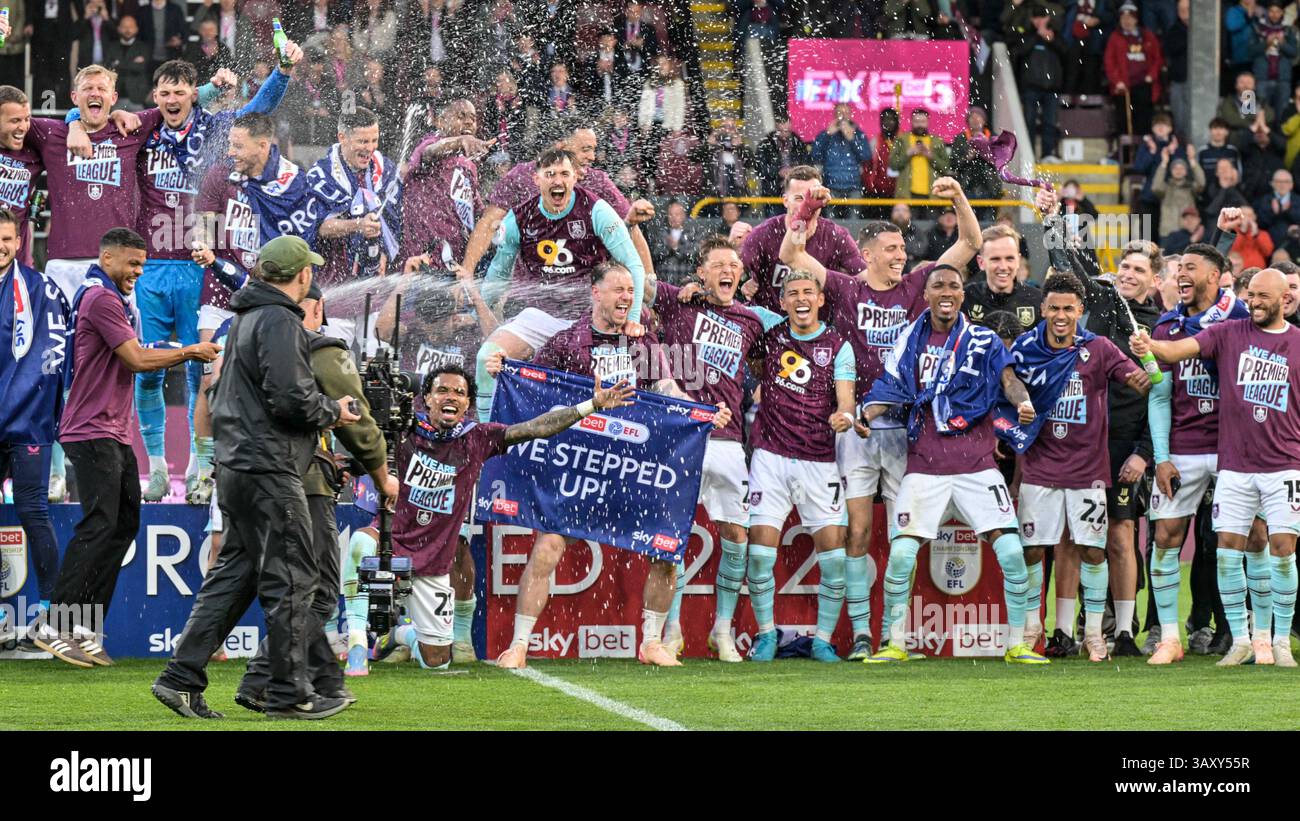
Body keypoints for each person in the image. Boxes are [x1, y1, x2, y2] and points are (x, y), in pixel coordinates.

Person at [152, 236, 364, 720]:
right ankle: (289, 693)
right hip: (271, 467)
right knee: (293, 581)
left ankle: (180, 677)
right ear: (302, 276)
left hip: (236, 467)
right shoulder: (280, 319)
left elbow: (227, 397)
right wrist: (335, 410)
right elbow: (289, 399)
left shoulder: (243, 319)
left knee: (233, 578)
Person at [487, 262, 732, 668]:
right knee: (547, 548)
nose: (626, 298)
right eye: (618, 289)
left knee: (666, 550)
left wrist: (704, 413)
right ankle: (519, 645)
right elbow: (535, 387)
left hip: (635, 466)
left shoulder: (644, 343)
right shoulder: (567, 341)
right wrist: (502, 368)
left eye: (630, 291)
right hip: (578, 468)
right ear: (595, 293)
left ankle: (652, 642)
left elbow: (667, 388)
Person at [778, 176, 984, 658]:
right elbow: (792, 254)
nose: (900, 254)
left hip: (905, 430)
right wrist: (808, 206)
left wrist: (958, 197)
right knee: (857, 532)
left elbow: (971, 243)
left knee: (902, 533)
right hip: (855, 429)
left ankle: (895, 632)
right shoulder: (848, 289)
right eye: (891, 247)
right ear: (868, 253)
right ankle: (863, 632)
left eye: (902, 247)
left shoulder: (917, 285)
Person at [30, 229, 220, 668]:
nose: (138, 271)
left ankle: (82, 627)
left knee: (122, 524)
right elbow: (134, 359)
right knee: (100, 524)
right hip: (90, 428)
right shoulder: (101, 298)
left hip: (111, 430)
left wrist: (169, 349)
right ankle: (54, 623)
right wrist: (189, 350)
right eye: (132, 263)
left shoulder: (109, 296)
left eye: (143, 264)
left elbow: (131, 353)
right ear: (107, 256)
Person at [115, 55, 298, 504]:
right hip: (153, 266)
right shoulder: (142, 129)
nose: (173, 99)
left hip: (199, 265)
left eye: (181, 91)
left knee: (202, 371)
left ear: (195, 93)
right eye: (165, 92)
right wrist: (82, 114)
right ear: (155, 96)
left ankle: (200, 471)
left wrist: (282, 71)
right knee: (149, 371)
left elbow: (261, 107)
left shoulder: (216, 128)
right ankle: (156, 470)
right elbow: (92, 116)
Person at [378, 363, 638, 669]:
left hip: (435, 555)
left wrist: (591, 405)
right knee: (361, 543)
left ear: (468, 405)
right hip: (393, 539)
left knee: (437, 662)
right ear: (427, 398)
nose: (451, 397)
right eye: (442, 390)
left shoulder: (476, 438)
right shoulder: (405, 428)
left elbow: (538, 427)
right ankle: (353, 643)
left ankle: (403, 634)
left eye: (460, 392)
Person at [859, 264, 1047, 664]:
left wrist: (1023, 402)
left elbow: (1008, 379)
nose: (947, 291)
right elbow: (890, 389)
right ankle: (894, 642)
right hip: (924, 465)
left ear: (964, 295)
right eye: (938, 285)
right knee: (902, 556)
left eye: (954, 286)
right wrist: (864, 416)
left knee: (1012, 551)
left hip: (977, 465)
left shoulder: (983, 340)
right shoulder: (908, 340)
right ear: (925, 294)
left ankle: (1017, 644)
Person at [233, 280, 395, 704]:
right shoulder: (322, 349)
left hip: (247, 476)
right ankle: (265, 681)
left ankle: (202, 674)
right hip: (302, 485)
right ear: (319, 307)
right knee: (319, 590)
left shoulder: (247, 336)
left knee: (254, 582)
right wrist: (382, 477)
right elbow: (358, 421)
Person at [1132, 267, 1299, 667]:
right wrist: (1148, 344)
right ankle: (1242, 640)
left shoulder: (1297, 343)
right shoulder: (1228, 333)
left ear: (1284, 301)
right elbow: (1174, 352)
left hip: (1284, 464)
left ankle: (1278, 641)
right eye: (1251, 295)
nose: (1254, 302)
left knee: (1282, 552)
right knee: (1227, 553)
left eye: (1263, 296)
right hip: (1236, 466)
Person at [1010, 271, 1152, 661]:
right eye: (1053, 307)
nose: (1060, 315)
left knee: (1092, 551)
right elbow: (1004, 393)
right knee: (1034, 550)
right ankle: (1031, 627)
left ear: (1080, 311)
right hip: (1040, 469)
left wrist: (1147, 365)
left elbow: (1140, 381)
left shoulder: (1100, 348)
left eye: (1068, 308)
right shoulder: (1024, 348)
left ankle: (1092, 634)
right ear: (1042, 309)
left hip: (1088, 470)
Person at [643, 237, 765, 661]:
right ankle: (670, 630)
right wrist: (640, 231)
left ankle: (723, 629)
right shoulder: (681, 305)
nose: (728, 270)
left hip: (729, 443)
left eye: (734, 264)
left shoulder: (752, 321)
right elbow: (641, 283)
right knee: (671, 535)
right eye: (718, 264)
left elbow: (760, 366)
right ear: (701, 273)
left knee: (736, 535)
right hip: (681, 436)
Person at [470, 147, 650, 419]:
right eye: (550, 174)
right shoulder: (519, 218)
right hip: (541, 317)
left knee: (604, 389)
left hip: (590, 320)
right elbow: (498, 273)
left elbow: (634, 265)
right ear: (537, 179)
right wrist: (480, 310)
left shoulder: (596, 210)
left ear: (575, 177)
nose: (558, 181)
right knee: (487, 359)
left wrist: (633, 317)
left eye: (565, 174)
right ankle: (487, 438)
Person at [1142, 239, 1252, 664]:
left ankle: (1252, 637)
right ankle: (1170, 638)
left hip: (1233, 449)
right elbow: (1159, 396)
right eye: (1177, 269)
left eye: (1190, 267)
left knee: (1243, 540)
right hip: (1185, 448)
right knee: (1166, 538)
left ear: (1213, 276)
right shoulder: (1165, 327)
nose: (1180, 274)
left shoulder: (1242, 317)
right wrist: (1162, 455)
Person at [0, 211, 69, 645]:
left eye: (7, 238)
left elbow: (57, 353)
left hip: (26, 423)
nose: (1, 245)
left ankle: (50, 615)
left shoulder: (41, 288)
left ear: (18, 238)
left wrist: (36, 406)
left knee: (32, 512)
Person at [739, 165, 866, 314]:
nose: (807, 204)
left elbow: (866, 280)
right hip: (770, 328)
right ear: (785, 201)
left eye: (812, 197)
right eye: (799, 198)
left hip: (818, 328)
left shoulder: (836, 236)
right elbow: (733, 271)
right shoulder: (762, 234)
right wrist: (743, 277)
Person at [306, 107, 402, 286]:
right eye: (363, 141)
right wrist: (358, 225)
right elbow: (320, 227)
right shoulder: (321, 174)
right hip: (334, 279)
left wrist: (384, 253)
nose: (370, 148)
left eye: (375, 140)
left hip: (379, 280)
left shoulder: (386, 170)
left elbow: (394, 220)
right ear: (342, 137)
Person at [399, 99, 483, 267]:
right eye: (461, 116)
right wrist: (460, 141)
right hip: (422, 260)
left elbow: (476, 211)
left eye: (473, 118)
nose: (468, 121)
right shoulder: (428, 145)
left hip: (455, 263)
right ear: (440, 121)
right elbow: (431, 152)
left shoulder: (468, 165)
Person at [964, 224, 1044, 331]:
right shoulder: (967, 298)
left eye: (1009, 258)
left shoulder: (1037, 299)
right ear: (981, 262)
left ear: (1018, 261)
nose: (1003, 267)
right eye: (995, 259)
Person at [1104, 2, 1163, 137]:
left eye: (1130, 18)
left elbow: (1157, 58)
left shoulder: (1147, 36)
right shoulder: (1115, 37)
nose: (1127, 21)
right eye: (1124, 18)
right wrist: (1117, 80)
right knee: (1124, 121)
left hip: (1144, 85)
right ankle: (1125, 154)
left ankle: (1142, 152)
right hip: (1123, 87)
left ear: (1136, 19)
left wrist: (1151, 76)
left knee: (1143, 120)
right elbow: (1109, 61)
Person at [0, 86, 42, 268]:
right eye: (15, 120)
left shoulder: (34, 152)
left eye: (26, 119)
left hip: (18, 266)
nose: (23, 127)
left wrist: (73, 118)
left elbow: (64, 130)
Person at [811, 103, 872, 219]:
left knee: (854, 222)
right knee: (831, 223)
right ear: (834, 115)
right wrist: (827, 135)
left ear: (850, 115)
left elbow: (866, 156)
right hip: (831, 186)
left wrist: (852, 139)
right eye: (839, 113)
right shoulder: (826, 134)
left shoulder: (858, 134)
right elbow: (815, 155)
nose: (843, 117)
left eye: (846, 113)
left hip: (854, 186)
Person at [889, 108, 949, 217]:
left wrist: (931, 156)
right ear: (911, 122)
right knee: (908, 227)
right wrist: (908, 154)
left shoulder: (936, 141)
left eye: (923, 122)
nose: (920, 125)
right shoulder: (902, 140)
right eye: (917, 121)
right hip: (907, 194)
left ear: (928, 122)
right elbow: (893, 165)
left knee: (931, 227)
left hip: (933, 195)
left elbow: (946, 168)